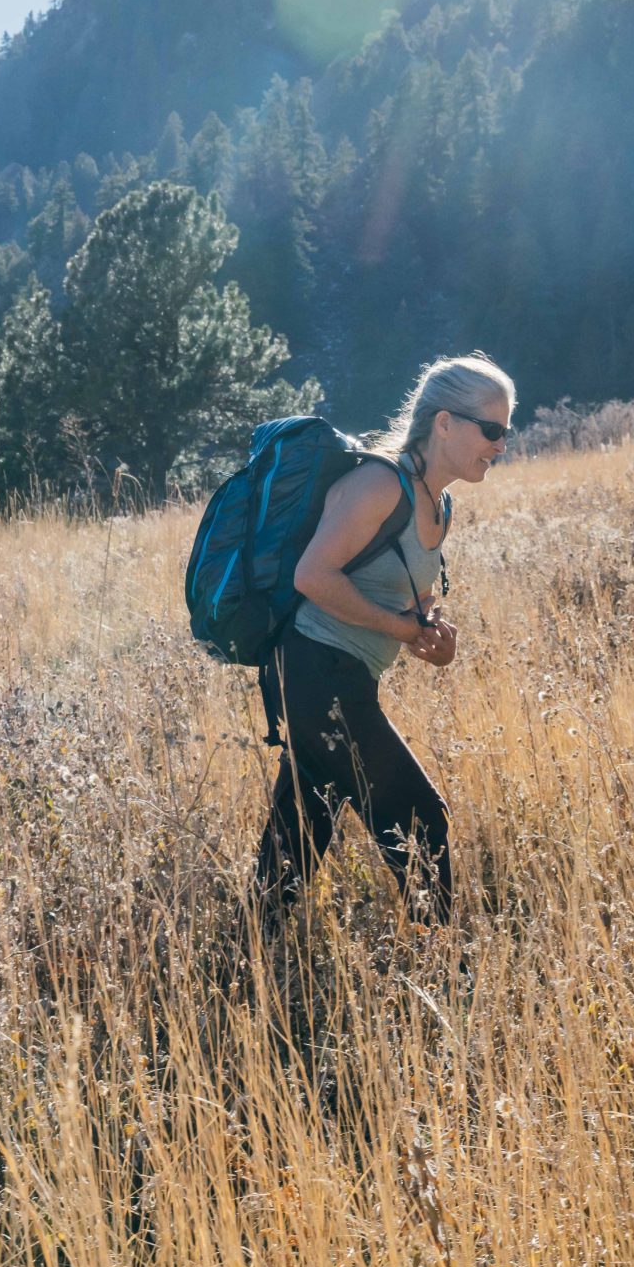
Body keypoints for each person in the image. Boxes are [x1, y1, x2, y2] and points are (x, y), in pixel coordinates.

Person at [256, 354, 515, 926]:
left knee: (299, 831)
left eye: (506, 432)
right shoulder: (377, 484)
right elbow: (312, 576)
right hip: (314, 671)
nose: (500, 445)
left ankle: (247, 954)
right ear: (443, 422)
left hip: (347, 679)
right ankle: (448, 970)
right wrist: (400, 628)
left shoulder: (439, 505)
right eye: (491, 430)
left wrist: (433, 633)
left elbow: (405, 595)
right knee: (421, 818)